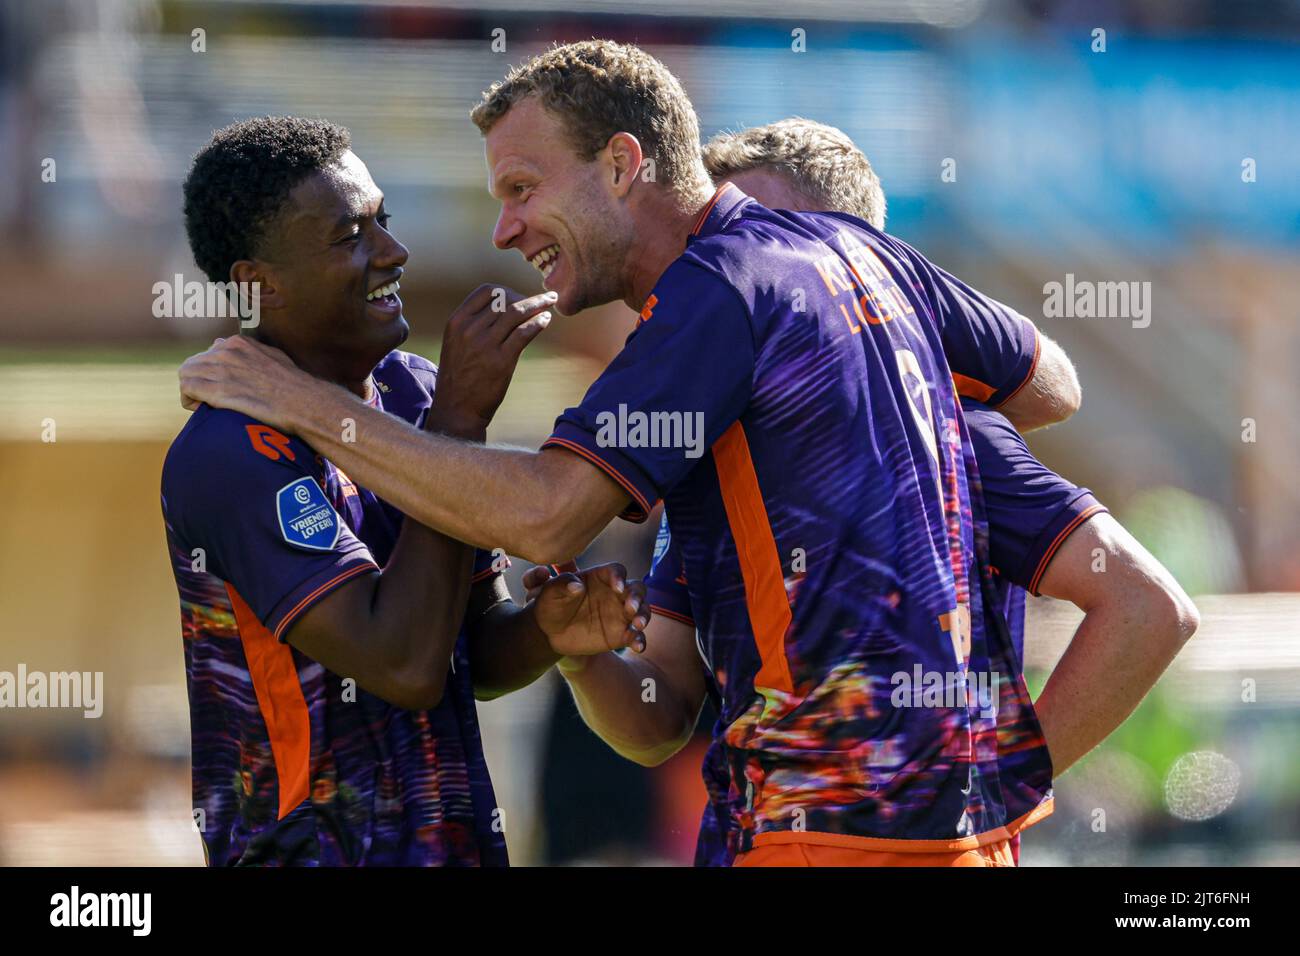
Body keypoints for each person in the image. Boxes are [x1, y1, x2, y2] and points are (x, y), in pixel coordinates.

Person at [174, 42, 1171, 864]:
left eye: (523, 187)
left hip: (828, 836)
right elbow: (1050, 384)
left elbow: (542, 517)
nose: (504, 227)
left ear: (621, 165)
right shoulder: (842, 308)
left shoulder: (720, 292)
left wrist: (314, 404)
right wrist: (571, 643)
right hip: (885, 837)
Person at [164, 115, 647, 866]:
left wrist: (545, 632)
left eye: (382, 220)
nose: (393, 251)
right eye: (349, 236)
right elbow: (403, 666)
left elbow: (465, 651)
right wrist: (459, 422)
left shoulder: (413, 391)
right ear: (260, 285)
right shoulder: (229, 454)